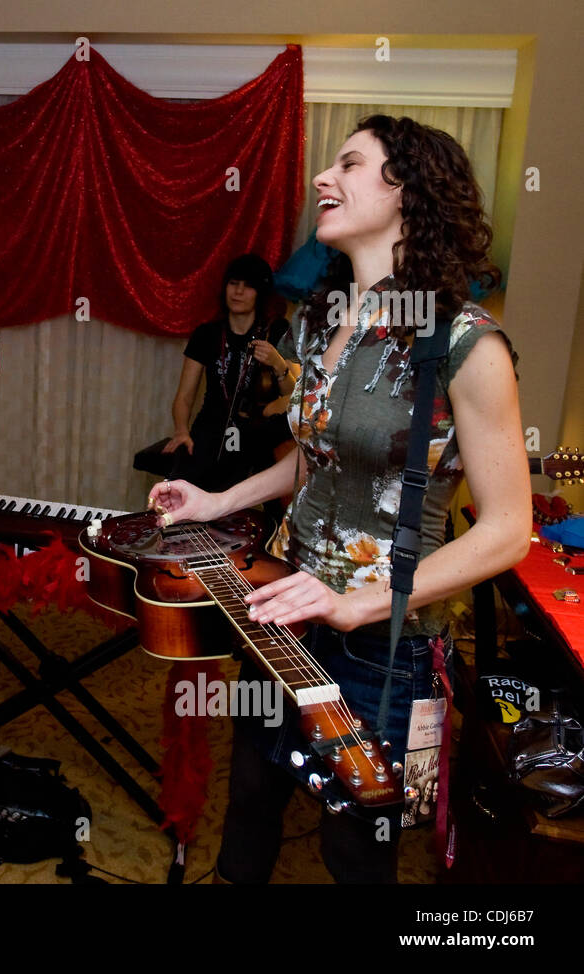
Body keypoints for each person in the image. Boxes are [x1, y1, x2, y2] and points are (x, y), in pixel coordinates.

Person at [148, 115, 530, 883]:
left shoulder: (465, 343)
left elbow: (510, 530)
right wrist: (215, 502)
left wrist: (358, 603)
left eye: (349, 165)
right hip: (283, 608)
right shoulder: (324, 324)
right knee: (251, 797)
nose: (323, 180)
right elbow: (317, 463)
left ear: (407, 191)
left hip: (380, 647)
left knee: (355, 847)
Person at [135, 255, 295, 498]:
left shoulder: (278, 330)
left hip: (263, 428)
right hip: (213, 424)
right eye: (233, 283)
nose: (238, 292)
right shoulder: (207, 334)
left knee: (278, 493)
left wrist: (277, 362)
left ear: (260, 292)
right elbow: (185, 397)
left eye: (248, 286)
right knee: (184, 490)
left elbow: (291, 391)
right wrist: (181, 430)